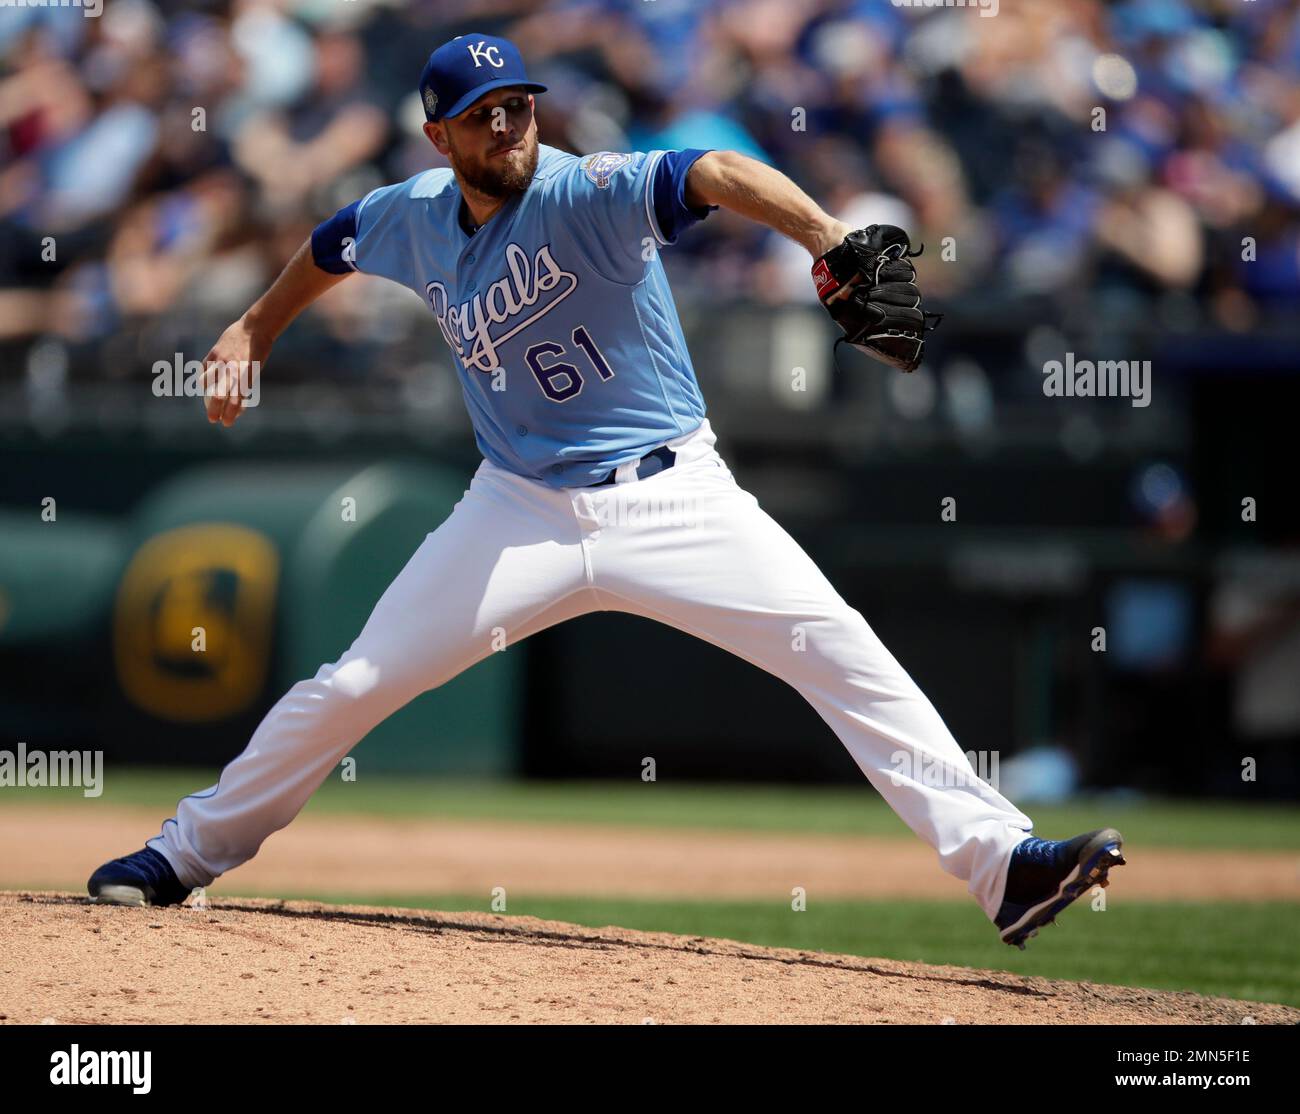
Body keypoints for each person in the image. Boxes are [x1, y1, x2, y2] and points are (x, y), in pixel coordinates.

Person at [88, 33, 1124, 949]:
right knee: (354, 686)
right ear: (436, 134)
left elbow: (712, 170)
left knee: (840, 650)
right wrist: (252, 329)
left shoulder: (587, 189)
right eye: (482, 114)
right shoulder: (408, 215)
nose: (508, 123)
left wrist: (825, 237)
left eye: (520, 105)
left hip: (676, 495)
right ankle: (181, 855)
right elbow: (330, 246)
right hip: (518, 510)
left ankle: (1003, 864)